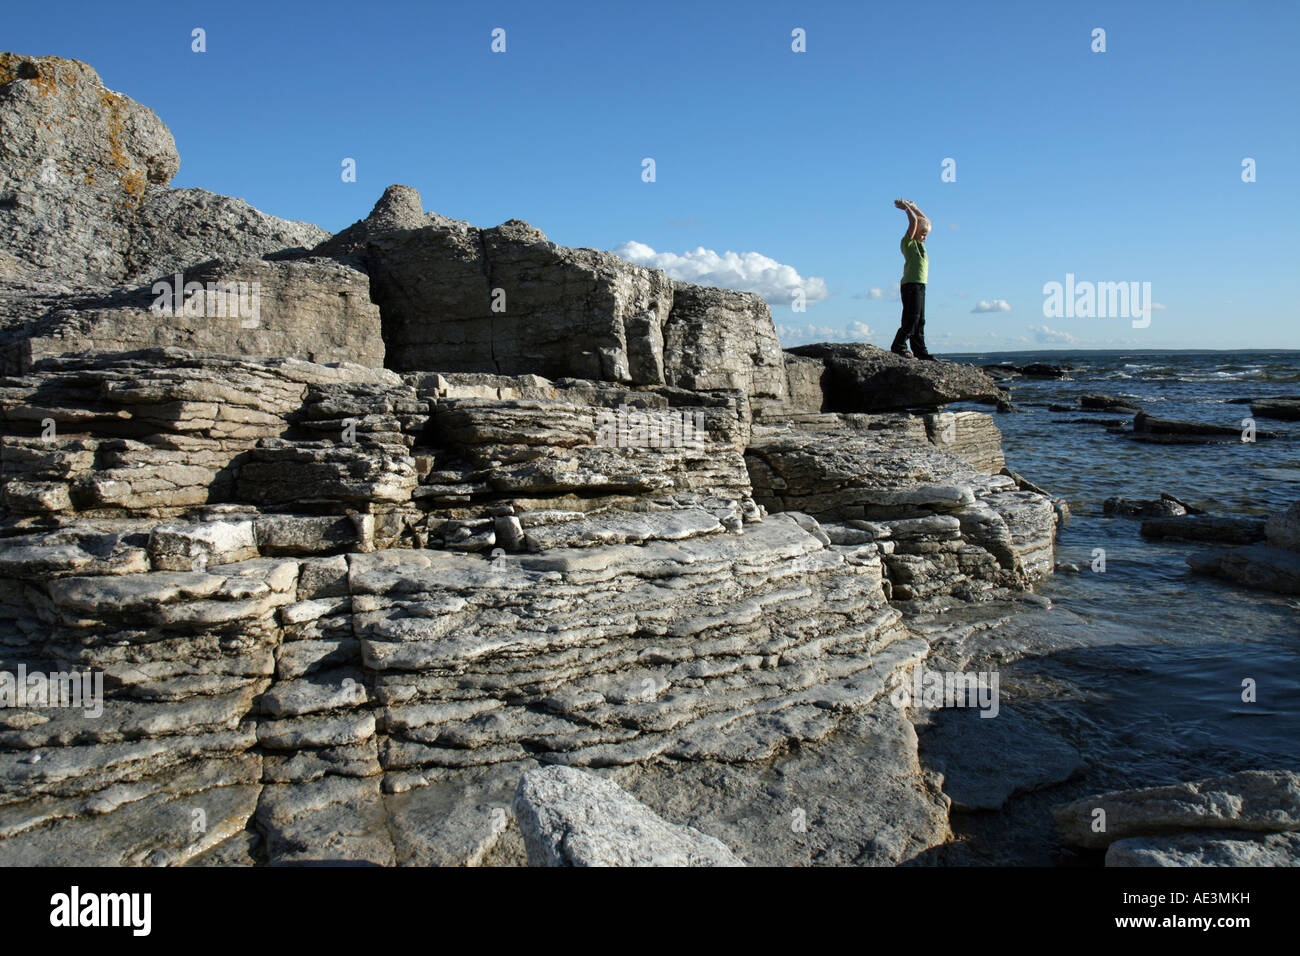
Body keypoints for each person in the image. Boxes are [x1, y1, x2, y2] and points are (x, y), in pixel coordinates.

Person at [891, 199, 935, 360]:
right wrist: (907, 209)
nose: (924, 237)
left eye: (926, 235)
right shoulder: (908, 243)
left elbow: (926, 222)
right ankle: (899, 346)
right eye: (922, 233)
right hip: (910, 285)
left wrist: (916, 207)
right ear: (915, 231)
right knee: (911, 318)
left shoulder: (921, 243)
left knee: (920, 320)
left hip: (921, 285)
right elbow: (915, 222)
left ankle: (920, 352)